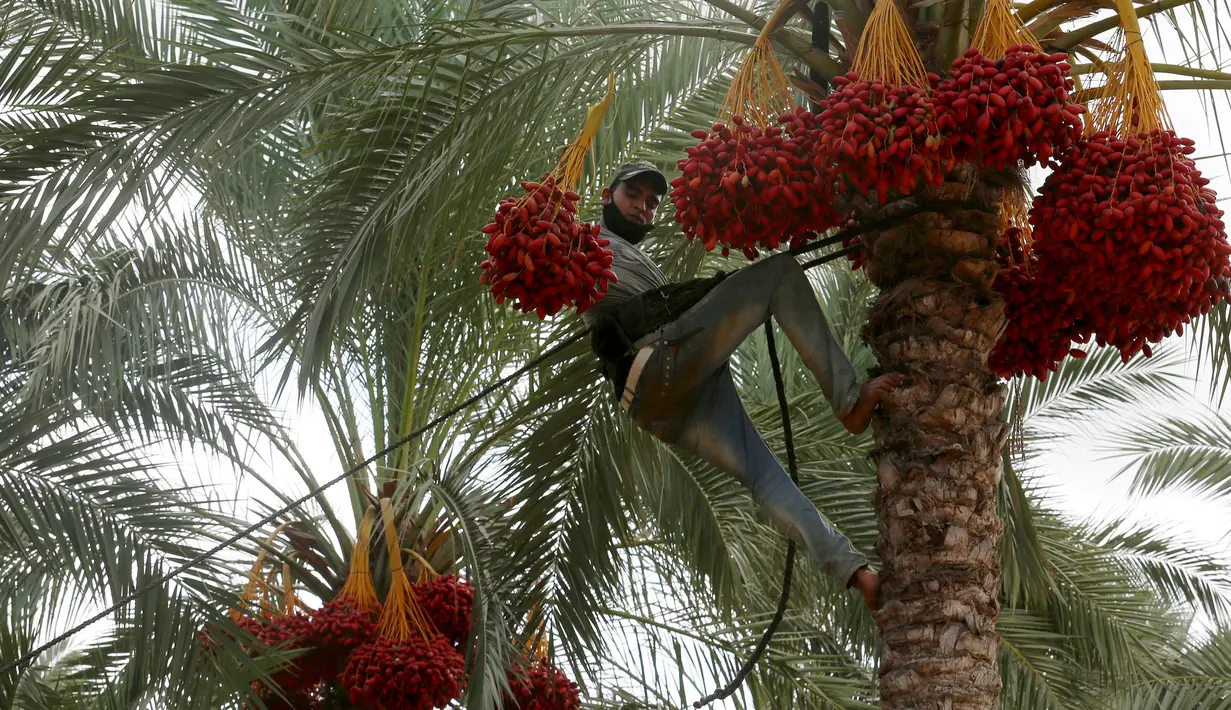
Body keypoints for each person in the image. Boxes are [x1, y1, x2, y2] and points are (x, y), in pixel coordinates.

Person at [585, 161, 904, 612]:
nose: (641, 208)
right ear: (606, 195)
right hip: (657, 360)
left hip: (656, 404)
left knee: (763, 475)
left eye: (651, 203)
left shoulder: (639, 261)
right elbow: (552, 259)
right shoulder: (586, 241)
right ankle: (849, 400)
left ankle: (858, 575)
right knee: (778, 273)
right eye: (632, 195)